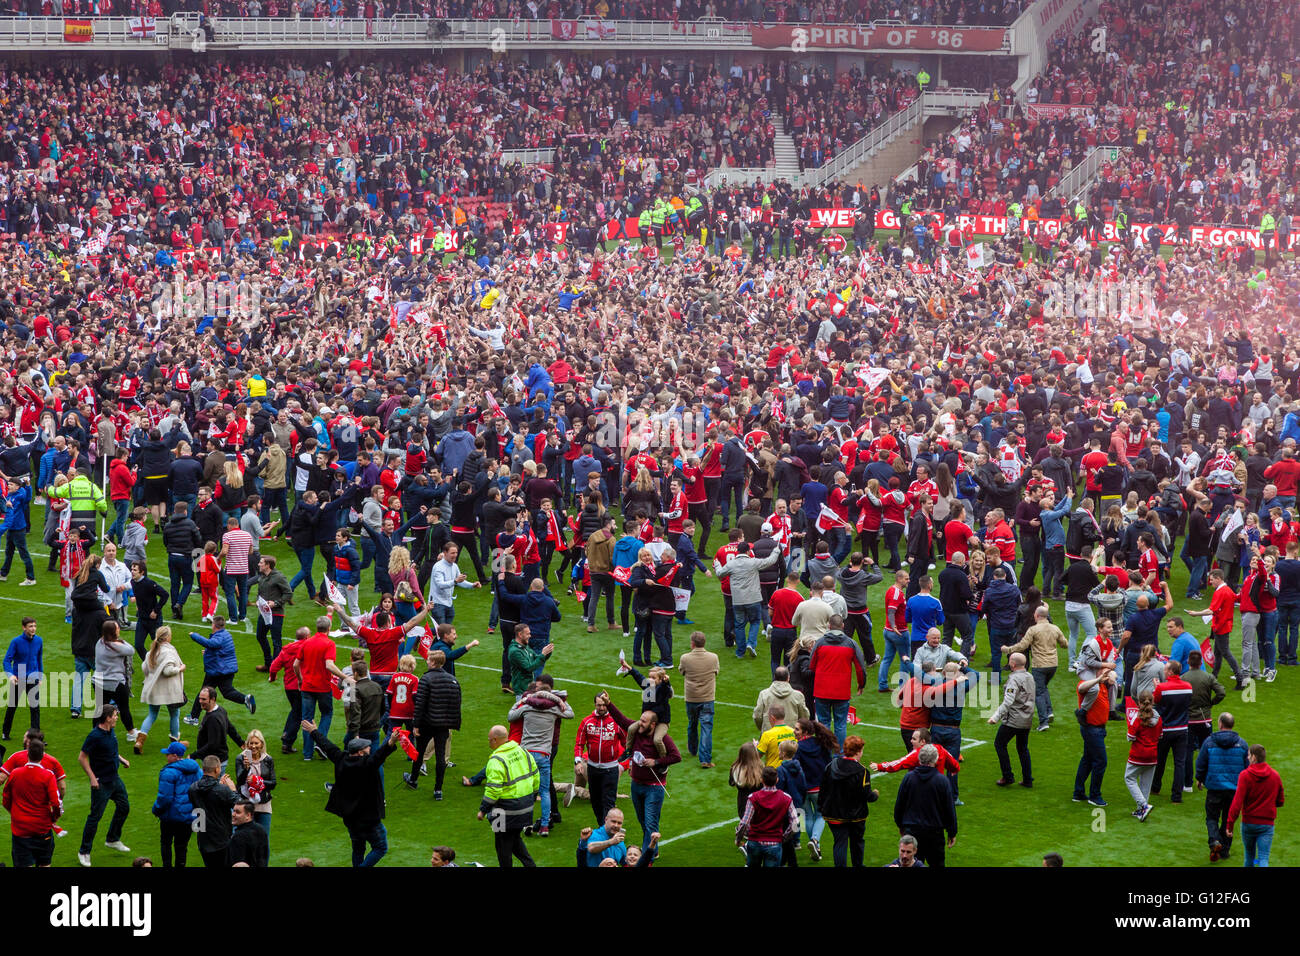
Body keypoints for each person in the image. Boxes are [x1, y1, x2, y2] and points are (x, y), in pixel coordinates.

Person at [306, 719, 401, 867]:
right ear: (360, 752)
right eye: (367, 747)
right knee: (380, 848)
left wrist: (314, 731)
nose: (370, 749)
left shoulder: (341, 759)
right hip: (369, 818)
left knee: (358, 849)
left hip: (350, 817)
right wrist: (391, 741)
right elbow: (381, 755)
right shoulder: (368, 764)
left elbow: (327, 746)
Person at [605, 699, 681, 855]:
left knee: (650, 823)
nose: (640, 723)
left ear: (653, 725)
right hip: (636, 784)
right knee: (643, 821)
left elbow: (676, 756)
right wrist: (608, 703)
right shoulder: (637, 731)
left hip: (654, 787)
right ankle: (654, 850)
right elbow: (621, 720)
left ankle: (647, 858)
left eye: (644, 722)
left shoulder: (663, 738)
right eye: (640, 720)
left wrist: (656, 762)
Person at [76, 704, 132, 867]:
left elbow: (111, 750)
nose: (117, 718)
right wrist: (92, 778)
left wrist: (121, 759)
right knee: (95, 817)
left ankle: (112, 838)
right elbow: (82, 758)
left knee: (124, 807)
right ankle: (84, 851)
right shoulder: (95, 736)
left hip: (115, 779)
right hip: (101, 783)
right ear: (107, 718)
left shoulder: (110, 731)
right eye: (115, 715)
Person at [477, 724, 540, 868]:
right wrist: (533, 797)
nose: (488, 742)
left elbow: (493, 790)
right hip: (525, 807)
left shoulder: (496, 760)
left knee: (502, 847)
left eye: (489, 740)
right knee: (515, 840)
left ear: (495, 740)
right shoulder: (523, 751)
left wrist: (483, 810)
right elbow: (536, 775)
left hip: (503, 811)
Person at [1003, 605, 1068, 732]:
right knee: (1043, 688)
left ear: (1036, 616)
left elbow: (1022, 645)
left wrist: (1008, 649)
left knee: (1038, 693)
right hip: (1053, 665)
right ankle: (1049, 712)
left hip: (1039, 665)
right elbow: (1065, 644)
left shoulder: (1033, 630)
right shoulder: (1055, 628)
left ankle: (1043, 722)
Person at [893, 744, 958, 868]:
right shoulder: (942, 781)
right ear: (936, 760)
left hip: (912, 831)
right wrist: (952, 831)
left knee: (912, 864)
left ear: (919, 758)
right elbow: (949, 809)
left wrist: (901, 825)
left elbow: (899, 805)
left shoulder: (909, 778)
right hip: (934, 833)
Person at [1196, 712, 1249, 862]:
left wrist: (1200, 779)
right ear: (1232, 725)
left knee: (1212, 817)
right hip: (1234, 789)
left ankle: (1214, 840)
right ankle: (1224, 850)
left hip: (1215, 787)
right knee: (1228, 819)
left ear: (1220, 724)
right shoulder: (1242, 744)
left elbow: (1201, 763)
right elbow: (1247, 768)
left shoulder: (1209, 742)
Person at [817, 734, 875, 867]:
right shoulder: (862, 771)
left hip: (834, 813)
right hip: (856, 816)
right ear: (858, 751)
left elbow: (823, 789)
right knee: (857, 843)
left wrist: (821, 807)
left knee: (839, 843)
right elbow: (867, 795)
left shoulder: (831, 766)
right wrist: (875, 795)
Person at [809, 614, 867, 748]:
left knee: (823, 723)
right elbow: (860, 668)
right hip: (841, 692)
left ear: (829, 626)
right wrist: (861, 684)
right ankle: (838, 753)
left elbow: (811, 665)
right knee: (840, 725)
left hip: (822, 691)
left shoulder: (820, 643)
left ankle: (824, 752)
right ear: (843, 626)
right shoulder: (851, 644)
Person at [3, 736, 62, 867]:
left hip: (21, 831)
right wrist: (54, 818)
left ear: (27, 754)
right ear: (43, 755)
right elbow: (56, 803)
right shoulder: (48, 776)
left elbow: (5, 799)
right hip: (42, 829)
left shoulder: (15, 774)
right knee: (44, 864)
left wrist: (15, 814)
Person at [186, 616, 255, 724]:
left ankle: (193, 717)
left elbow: (211, 644)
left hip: (217, 671)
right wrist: (207, 653)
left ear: (214, 625)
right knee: (228, 692)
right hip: (227, 669)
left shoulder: (219, 637)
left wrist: (194, 635)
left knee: (204, 693)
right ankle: (245, 699)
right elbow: (220, 651)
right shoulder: (226, 634)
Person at [1227, 744, 1285, 868]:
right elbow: (1280, 801)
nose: (1247, 758)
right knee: (1263, 857)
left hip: (1249, 823)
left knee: (1250, 856)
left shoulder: (1245, 775)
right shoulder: (1275, 776)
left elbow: (1237, 802)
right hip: (1266, 824)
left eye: (1249, 755)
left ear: (1254, 757)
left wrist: (1230, 824)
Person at [574, 692, 627, 824]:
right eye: (599, 705)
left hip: (611, 769)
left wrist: (628, 761)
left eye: (604, 705)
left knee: (608, 802)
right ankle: (603, 827)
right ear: (595, 705)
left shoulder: (616, 722)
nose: (602, 708)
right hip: (593, 768)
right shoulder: (586, 722)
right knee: (595, 801)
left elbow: (627, 743)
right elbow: (579, 743)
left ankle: (606, 829)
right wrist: (578, 761)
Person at [736, 765, 798, 867]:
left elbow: (744, 823)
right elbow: (795, 823)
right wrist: (784, 837)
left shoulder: (753, 798)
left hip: (755, 842)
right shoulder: (786, 798)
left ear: (762, 780)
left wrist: (739, 838)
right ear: (777, 780)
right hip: (774, 843)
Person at [1073, 666, 1118, 808]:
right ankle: (1094, 795)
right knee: (1100, 761)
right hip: (1092, 730)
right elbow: (1081, 688)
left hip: (1098, 729)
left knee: (1087, 760)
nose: (1106, 672)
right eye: (1103, 670)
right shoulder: (1088, 684)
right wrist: (1098, 679)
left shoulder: (1102, 685)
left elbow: (1114, 676)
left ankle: (1078, 793)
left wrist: (1108, 677)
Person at [152, 740, 201, 868]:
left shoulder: (168, 772)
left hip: (170, 817)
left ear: (174, 756)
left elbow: (165, 798)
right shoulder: (197, 770)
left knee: (166, 843)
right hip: (189, 817)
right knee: (182, 846)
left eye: (168, 754)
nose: (166, 756)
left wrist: (156, 810)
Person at [989, 652, 1034, 787]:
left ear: (1013, 664)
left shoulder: (1014, 679)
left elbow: (1008, 701)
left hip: (1014, 720)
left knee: (999, 744)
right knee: (1022, 748)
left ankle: (1007, 776)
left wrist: (995, 717)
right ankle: (1027, 779)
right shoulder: (1030, 676)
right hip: (1027, 719)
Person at [1151, 660, 1194, 803]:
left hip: (1165, 729)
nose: (1163, 672)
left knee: (1160, 760)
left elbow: (1156, 701)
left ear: (1170, 672)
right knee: (1179, 763)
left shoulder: (1161, 688)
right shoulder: (1188, 687)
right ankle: (1176, 796)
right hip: (1182, 729)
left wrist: (1156, 688)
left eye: (1165, 670)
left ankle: (1155, 787)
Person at [678, 631, 719, 768]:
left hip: (691, 697)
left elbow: (681, 671)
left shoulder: (685, 658)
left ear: (692, 643)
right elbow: (716, 672)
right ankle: (705, 759)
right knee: (706, 728)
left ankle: (692, 748)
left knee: (692, 723)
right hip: (707, 698)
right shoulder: (713, 657)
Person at [188, 754, 237, 867]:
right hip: (221, 839)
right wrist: (232, 790)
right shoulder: (222, 790)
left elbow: (209, 798)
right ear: (217, 769)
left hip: (203, 839)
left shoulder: (193, 788)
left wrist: (219, 786)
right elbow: (238, 805)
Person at [3, 617, 43, 741]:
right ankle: (5, 732)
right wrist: (11, 675)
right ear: (24, 627)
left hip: (33, 677)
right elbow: (6, 660)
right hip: (18, 678)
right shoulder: (16, 642)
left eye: (35, 626)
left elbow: (39, 659)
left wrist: (40, 676)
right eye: (30, 626)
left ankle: (36, 737)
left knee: (35, 708)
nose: (33, 628)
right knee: (12, 706)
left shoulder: (39, 640)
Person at [193, 684, 246, 774]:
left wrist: (194, 755)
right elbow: (230, 728)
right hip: (218, 760)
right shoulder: (221, 710)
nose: (200, 701)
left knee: (213, 783)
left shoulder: (213, 719)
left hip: (213, 763)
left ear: (213, 699)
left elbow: (212, 744)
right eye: (199, 698)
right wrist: (240, 742)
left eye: (204, 699)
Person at [234, 731, 276, 833]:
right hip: (245, 805)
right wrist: (246, 768)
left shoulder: (268, 759)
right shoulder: (241, 758)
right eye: (251, 743)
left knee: (263, 837)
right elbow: (240, 781)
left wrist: (257, 781)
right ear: (247, 744)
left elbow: (273, 783)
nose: (253, 746)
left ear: (262, 744)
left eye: (256, 743)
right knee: (245, 837)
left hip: (263, 804)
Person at [229, 800, 270, 867]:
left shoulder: (238, 836)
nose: (233, 814)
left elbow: (237, 864)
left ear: (248, 815)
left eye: (238, 812)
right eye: (233, 811)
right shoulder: (261, 829)